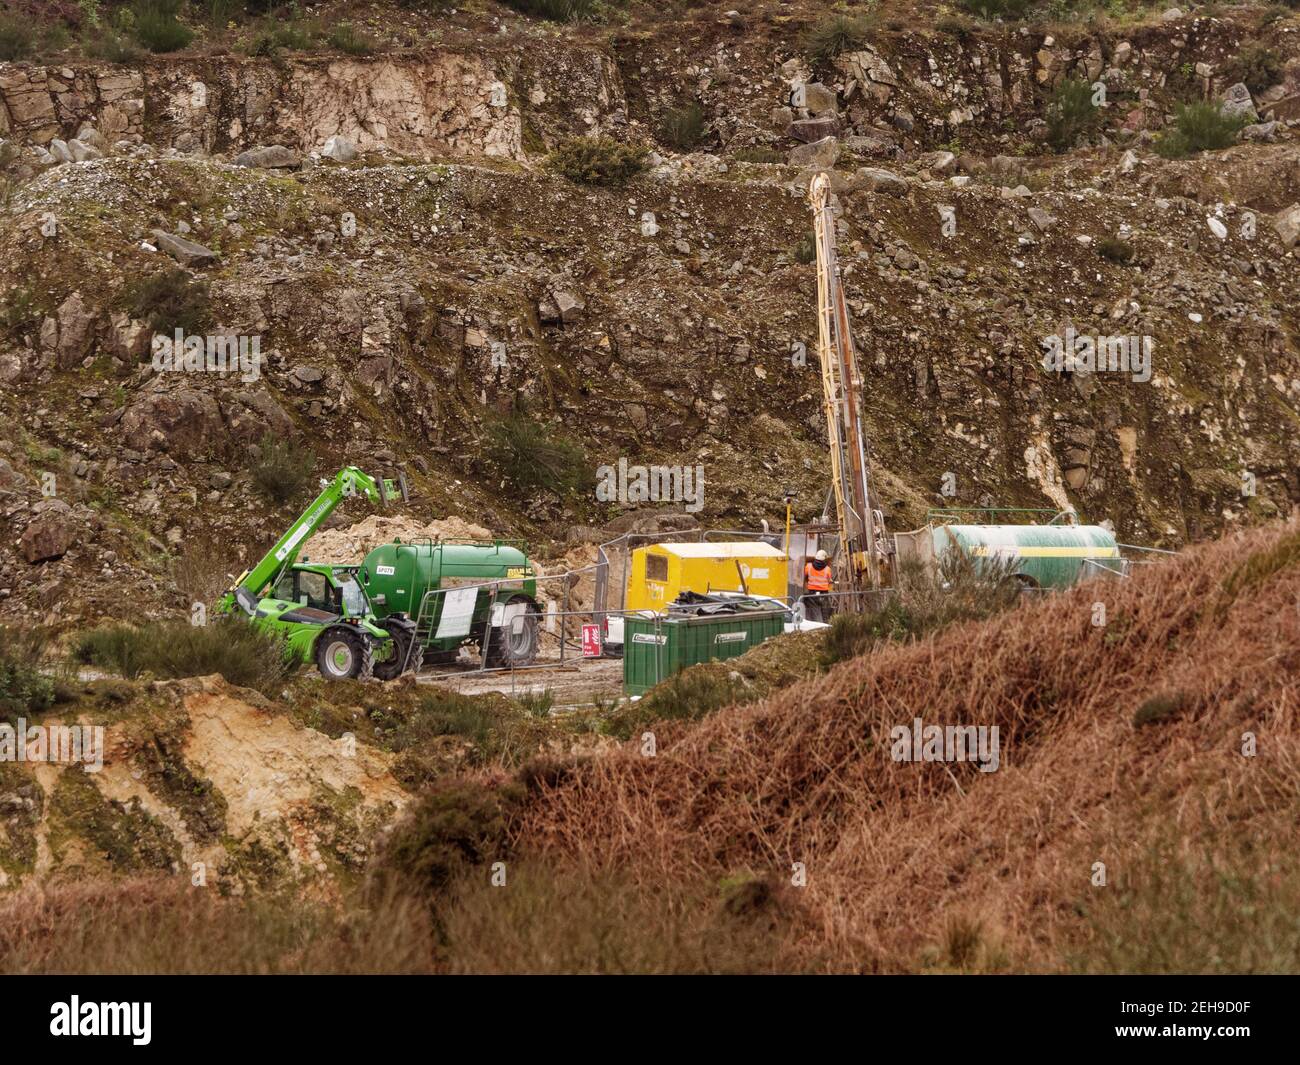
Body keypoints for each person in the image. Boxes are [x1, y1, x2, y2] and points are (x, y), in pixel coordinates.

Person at [803, 549, 833, 622]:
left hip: (812, 594)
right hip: (823, 594)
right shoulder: (827, 569)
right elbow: (829, 580)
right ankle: (826, 626)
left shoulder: (808, 566)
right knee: (825, 613)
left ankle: (814, 625)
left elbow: (804, 576)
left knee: (813, 613)